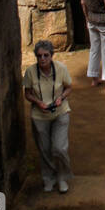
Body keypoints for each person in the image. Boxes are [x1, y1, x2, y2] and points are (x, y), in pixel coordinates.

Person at [23, 39, 73, 193]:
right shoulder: (31, 72)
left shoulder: (61, 68)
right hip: (39, 115)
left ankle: (62, 177)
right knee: (44, 149)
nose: (42, 59)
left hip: (60, 112)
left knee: (59, 148)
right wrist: (38, 102)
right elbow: (27, 93)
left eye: (46, 55)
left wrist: (61, 98)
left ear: (52, 56)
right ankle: (48, 178)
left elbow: (69, 87)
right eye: (39, 56)